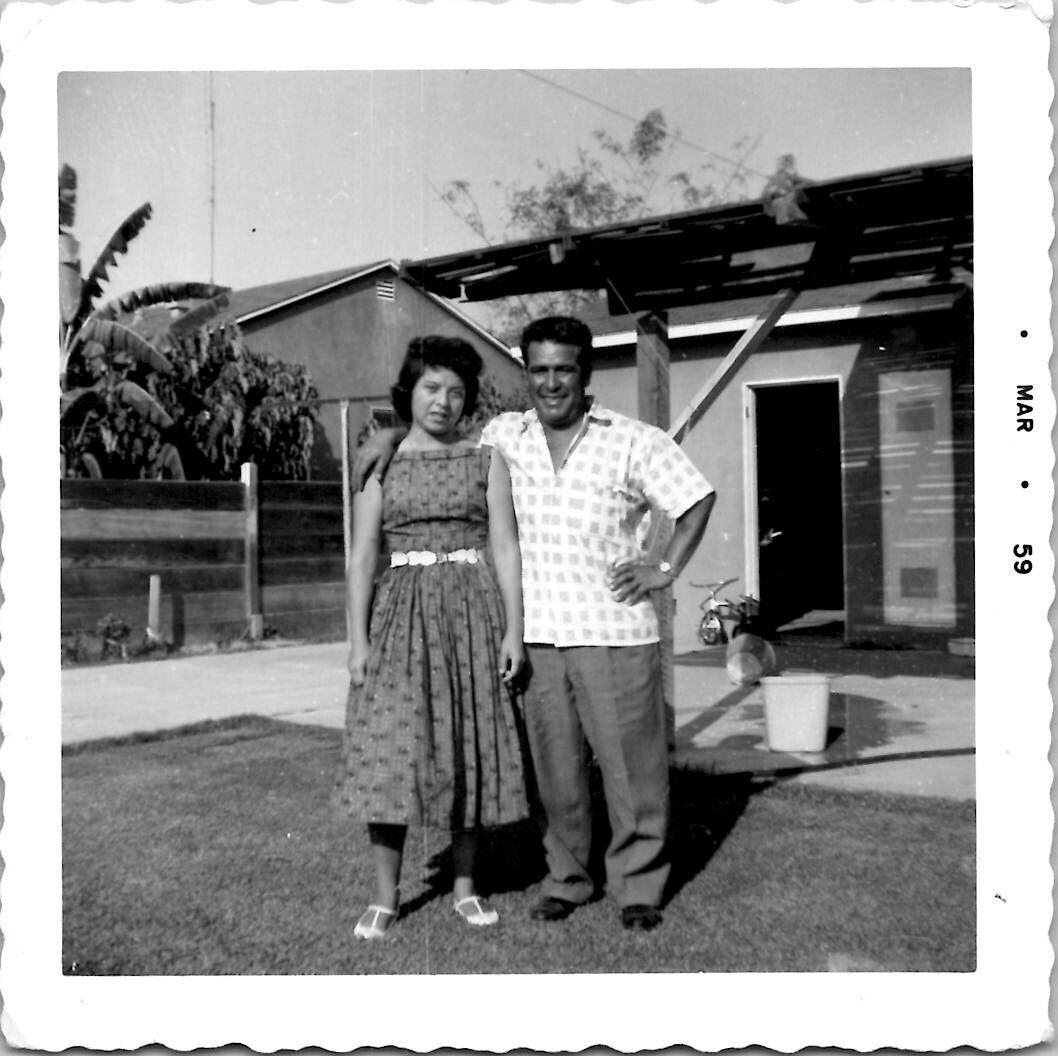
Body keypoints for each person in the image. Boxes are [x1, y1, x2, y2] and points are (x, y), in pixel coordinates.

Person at [356, 316, 715, 932]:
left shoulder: (633, 439)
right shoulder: (502, 435)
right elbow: (435, 430)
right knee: (557, 774)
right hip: (537, 635)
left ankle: (637, 887)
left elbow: (696, 498)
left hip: (613, 630)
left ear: (586, 373)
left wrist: (662, 568)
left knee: (633, 770)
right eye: (540, 370)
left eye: (564, 370)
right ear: (527, 372)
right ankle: (567, 879)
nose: (551, 383)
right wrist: (386, 439)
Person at [334, 335, 529, 940]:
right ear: (409, 392)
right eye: (430, 388)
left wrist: (514, 630)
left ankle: (466, 889)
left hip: (472, 613)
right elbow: (363, 555)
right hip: (398, 615)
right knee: (388, 750)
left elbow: (505, 546)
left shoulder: (487, 460)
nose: (443, 401)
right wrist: (357, 641)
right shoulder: (380, 462)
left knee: (465, 744)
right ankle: (386, 897)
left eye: (455, 391)